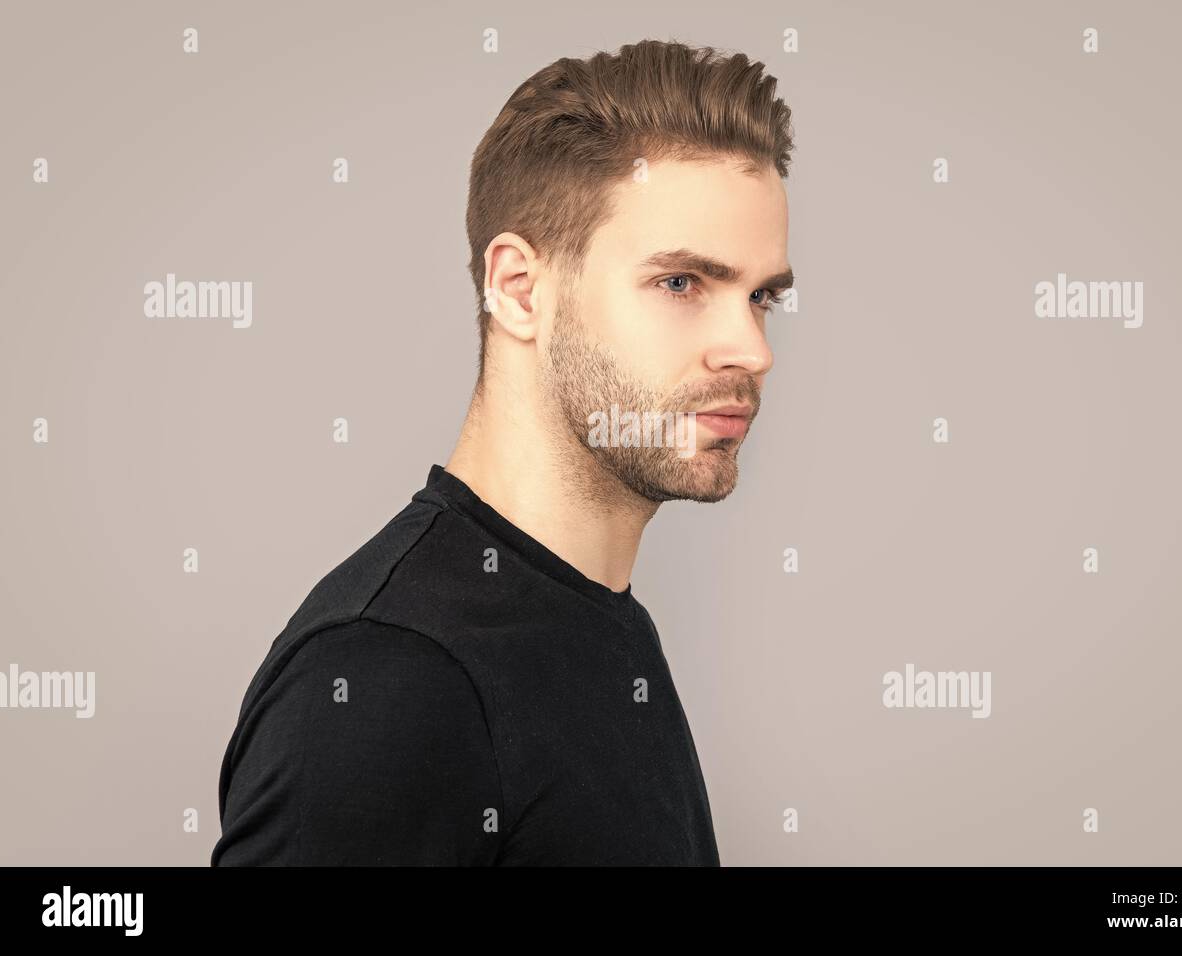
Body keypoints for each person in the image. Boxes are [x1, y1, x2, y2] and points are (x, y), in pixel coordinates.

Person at [211, 38, 794, 866]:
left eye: (761, 296)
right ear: (520, 290)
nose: (751, 349)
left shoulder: (603, 620)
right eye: (682, 284)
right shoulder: (389, 673)